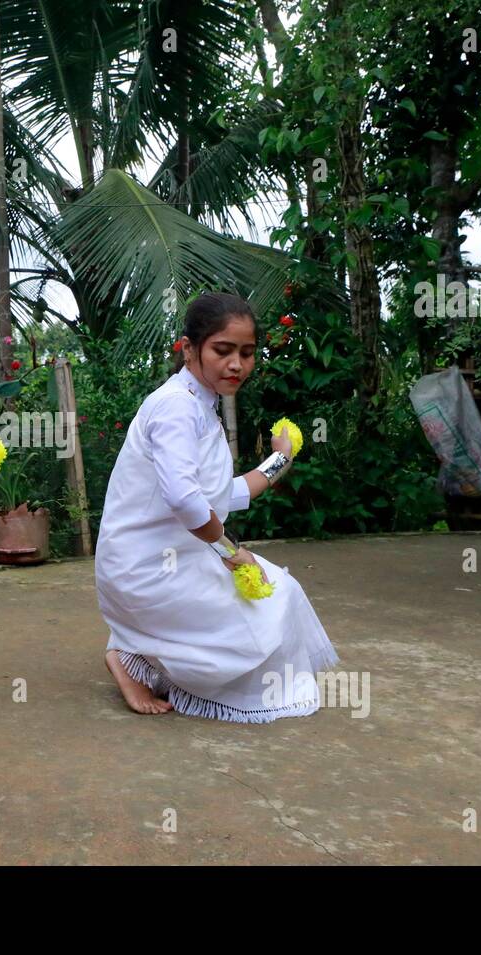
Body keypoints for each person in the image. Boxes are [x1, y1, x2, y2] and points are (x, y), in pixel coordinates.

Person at [96, 292, 339, 721]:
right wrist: (233, 552)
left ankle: (132, 651)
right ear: (189, 349)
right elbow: (185, 500)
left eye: (247, 353)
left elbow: (225, 494)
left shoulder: (201, 406)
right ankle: (130, 656)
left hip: (179, 557)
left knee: (280, 594)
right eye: (223, 350)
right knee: (265, 615)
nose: (237, 365)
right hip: (145, 568)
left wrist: (283, 457)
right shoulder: (176, 408)